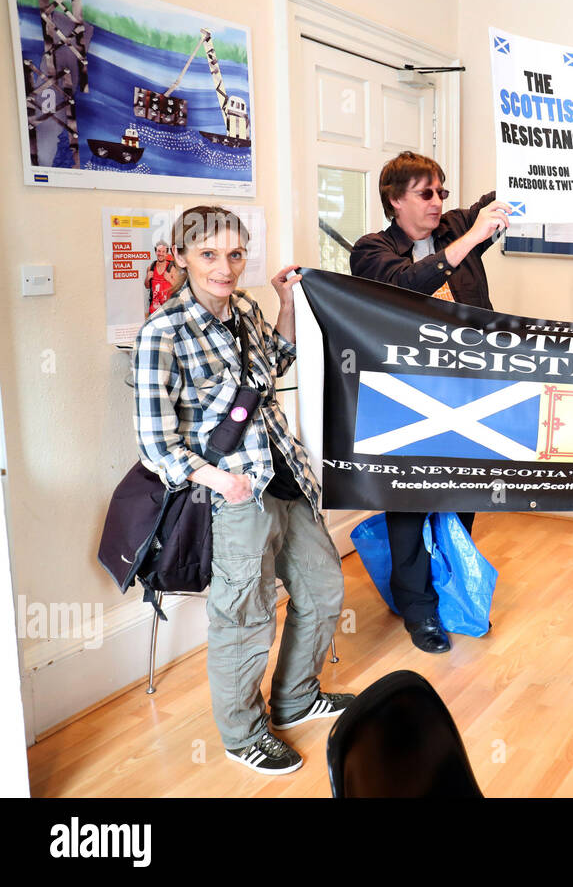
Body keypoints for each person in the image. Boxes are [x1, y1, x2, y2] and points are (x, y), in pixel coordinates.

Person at [132, 206, 352, 775]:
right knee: (246, 614)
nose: (224, 268)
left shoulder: (246, 309)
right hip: (233, 495)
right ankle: (242, 733)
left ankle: (296, 699)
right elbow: (156, 445)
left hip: (286, 474)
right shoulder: (163, 332)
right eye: (208, 255)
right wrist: (221, 482)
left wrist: (284, 303)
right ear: (180, 257)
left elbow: (276, 362)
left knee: (324, 587)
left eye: (235, 254)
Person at [350, 152, 512, 652]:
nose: (439, 201)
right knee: (410, 507)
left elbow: (511, 196)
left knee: (463, 497)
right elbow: (405, 286)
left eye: (442, 191)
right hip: (405, 402)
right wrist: (469, 239)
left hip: (470, 392)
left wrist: (563, 140)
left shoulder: (455, 226)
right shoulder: (372, 250)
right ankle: (417, 610)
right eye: (426, 193)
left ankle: (452, 588)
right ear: (395, 200)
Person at [146, 240, 174, 315]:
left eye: (163, 251)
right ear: (155, 252)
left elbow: (179, 287)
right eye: (159, 251)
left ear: (166, 253)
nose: (161, 254)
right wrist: (147, 278)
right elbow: (147, 286)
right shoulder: (150, 267)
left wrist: (170, 279)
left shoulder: (171, 268)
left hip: (168, 309)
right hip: (153, 310)